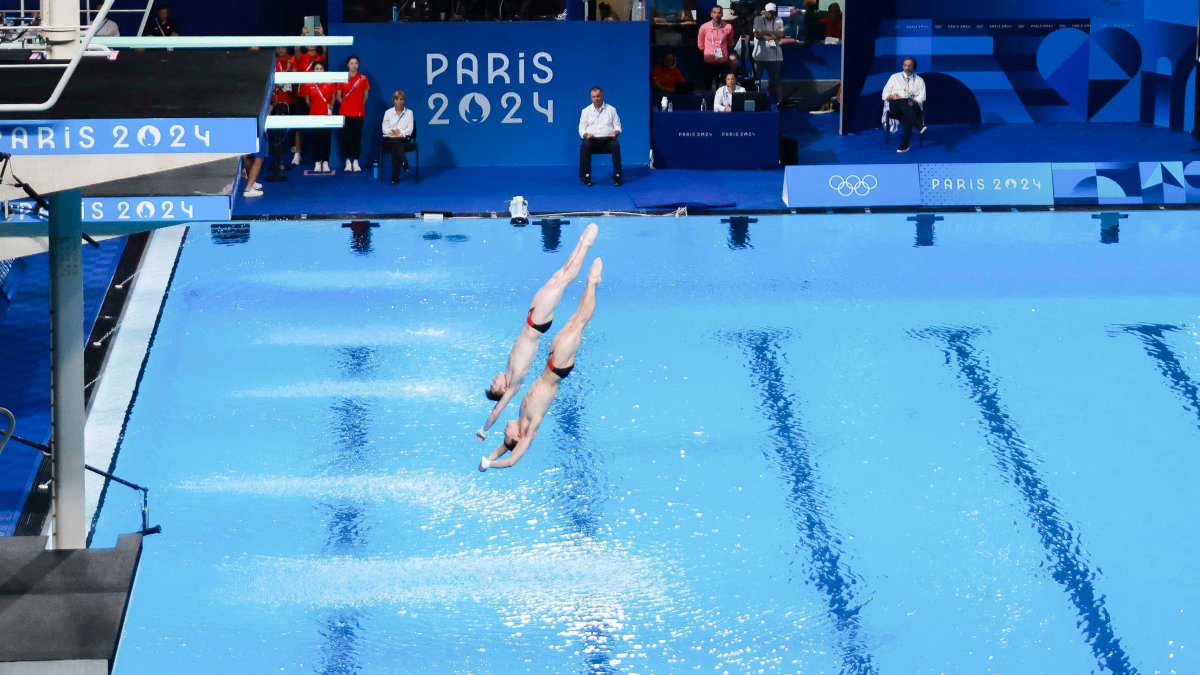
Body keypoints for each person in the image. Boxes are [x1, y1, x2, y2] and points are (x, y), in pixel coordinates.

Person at [476, 223, 599, 441]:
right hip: (536, 323)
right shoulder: (513, 384)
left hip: (532, 318)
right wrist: (484, 431)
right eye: (493, 385)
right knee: (564, 279)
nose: (493, 380)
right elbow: (497, 411)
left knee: (560, 276)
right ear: (502, 390)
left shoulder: (507, 371)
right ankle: (586, 245)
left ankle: (582, 243)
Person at [480, 258, 603, 472]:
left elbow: (503, 449)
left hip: (552, 364)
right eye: (505, 434)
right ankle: (593, 283)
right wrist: (490, 464)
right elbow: (511, 459)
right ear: (517, 437)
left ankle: (590, 284)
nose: (504, 430)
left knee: (575, 321)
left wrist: (489, 456)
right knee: (578, 323)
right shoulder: (528, 432)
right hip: (557, 369)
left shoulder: (521, 419)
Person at [578, 86, 622, 187]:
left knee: (615, 145)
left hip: (608, 140)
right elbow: (581, 128)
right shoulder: (585, 111)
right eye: (593, 97)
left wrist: (615, 133)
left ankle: (617, 176)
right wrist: (586, 134)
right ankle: (586, 176)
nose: (596, 99)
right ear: (591, 97)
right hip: (592, 140)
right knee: (586, 144)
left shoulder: (611, 109)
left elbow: (618, 126)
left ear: (602, 96)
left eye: (598, 96)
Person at [882, 56, 927, 153]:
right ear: (903, 66)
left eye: (910, 66)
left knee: (907, 113)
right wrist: (891, 96)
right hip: (895, 108)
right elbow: (884, 93)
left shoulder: (920, 80)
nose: (907, 68)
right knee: (903, 101)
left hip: (912, 107)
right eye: (905, 65)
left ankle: (904, 146)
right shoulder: (894, 77)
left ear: (914, 67)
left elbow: (923, 96)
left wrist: (913, 101)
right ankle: (918, 125)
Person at [301, 60, 337, 172]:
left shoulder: (330, 83)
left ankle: (325, 162)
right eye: (317, 69)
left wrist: (331, 105)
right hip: (314, 115)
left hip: (327, 115)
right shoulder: (308, 84)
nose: (319, 71)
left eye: (321, 69)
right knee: (315, 140)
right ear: (313, 70)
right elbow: (307, 100)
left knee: (326, 139)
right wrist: (314, 108)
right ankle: (317, 162)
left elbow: (333, 96)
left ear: (324, 70)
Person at [338, 55, 370, 173]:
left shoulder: (363, 78)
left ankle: (356, 161)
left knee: (357, 137)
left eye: (356, 63)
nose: (354, 65)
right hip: (345, 112)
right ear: (347, 65)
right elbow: (338, 95)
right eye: (351, 63)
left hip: (359, 113)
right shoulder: (342, 78)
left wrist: (359, 105)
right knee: (346, 137)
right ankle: (347, 161)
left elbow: (365, 95)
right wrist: (345, 105)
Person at [752, 3, 785, 107]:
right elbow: (758, 35)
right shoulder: (758, 19)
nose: (770, 14)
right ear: (765, 11)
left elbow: (781, 34)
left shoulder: (779, 20)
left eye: (772, 12)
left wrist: (765, 32)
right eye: (769, 12)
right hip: (760, 55)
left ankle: (779, 101)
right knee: (756, 79)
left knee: (775, 80)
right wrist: (772, 35)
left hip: (774, 56)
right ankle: (752, 99)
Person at [697, 5, 735, 91]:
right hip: (709, 62)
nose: (717, 15)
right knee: (708, 86)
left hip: (723, 62)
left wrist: (724, 52)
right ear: (711, 14)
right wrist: (708, 53)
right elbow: (700, 44)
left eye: (719, 13)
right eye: (714, 12)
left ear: (722, 14)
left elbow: (730, 42)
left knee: (723, 87)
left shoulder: (728, 27)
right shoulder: (704, 27)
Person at [381, 90, 415, 184]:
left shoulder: (409, 113)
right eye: (397, 99)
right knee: (395, 143)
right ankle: (404, 163)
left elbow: (410, 129)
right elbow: (384, 128)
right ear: (393, 101)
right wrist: (391, 132)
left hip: (404, 140)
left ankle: (395, 177)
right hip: (389, 140)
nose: (399, 101)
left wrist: (400, 132)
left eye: (401, 99)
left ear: (404, 101)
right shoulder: (388, 113)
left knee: (396, 145)